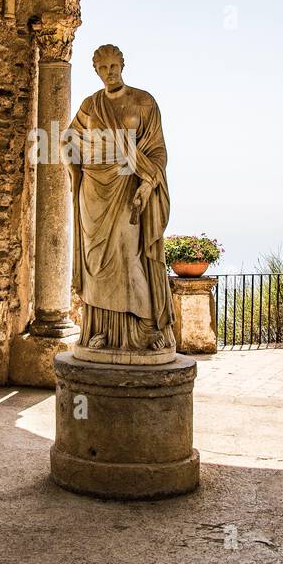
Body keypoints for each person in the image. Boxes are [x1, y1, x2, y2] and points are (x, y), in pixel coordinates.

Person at [64, 43, 175, 353]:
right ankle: (100, 331)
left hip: (127, 189)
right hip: (93, 192)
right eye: (102, 68)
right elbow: (69, 138)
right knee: (96, 265)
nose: (108, 73)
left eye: (113, 66)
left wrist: (147, 185)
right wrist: (75, 172)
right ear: (96, 71)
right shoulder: (90, 105)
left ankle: (145, 326)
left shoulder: (143, 102)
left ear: (122, 66)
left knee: (130, 256)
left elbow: (157, 151)